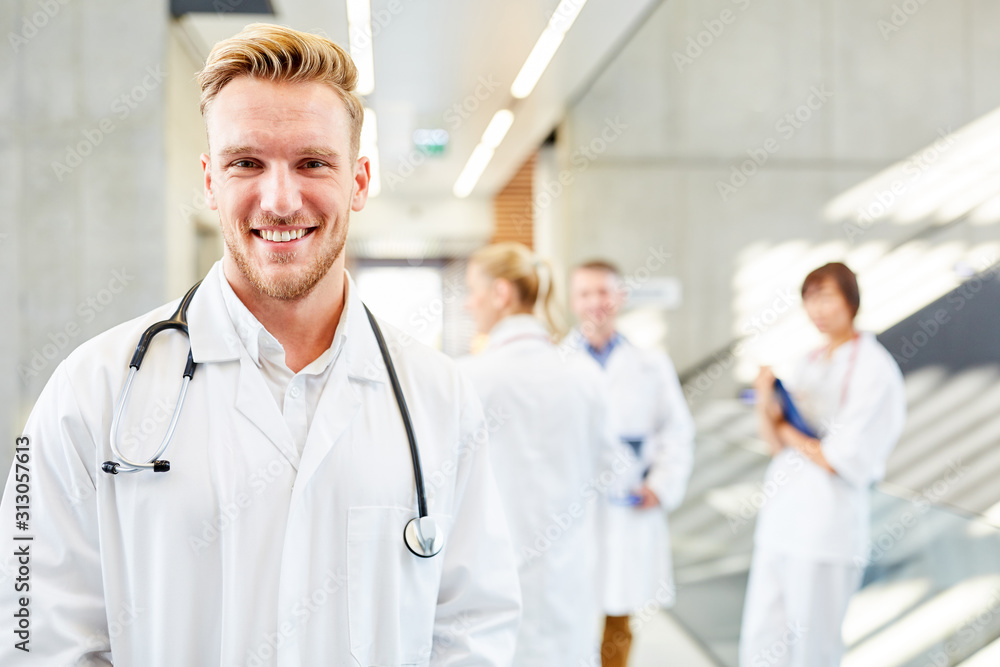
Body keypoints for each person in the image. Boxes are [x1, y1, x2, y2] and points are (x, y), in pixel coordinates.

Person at [0, 24, 521, 666]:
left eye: (312, 162)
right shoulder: (88, 391)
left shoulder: (439, 398)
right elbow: (33, 631)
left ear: (358, 180)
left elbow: (474, 626)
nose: (280, 199)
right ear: (211, 180)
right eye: (247, 162)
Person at [739, 262, 906, 667]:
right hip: (782, 521)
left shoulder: (874, 368)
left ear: (851, 300)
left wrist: (790, 430)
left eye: (826, 296)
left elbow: (838, 458)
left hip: (826, 529)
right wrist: (768, 401)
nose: (817, 308)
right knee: (762, 641)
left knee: (813, 650)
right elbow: (777, 442)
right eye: (810, 299)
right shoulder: (809, 361)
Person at [458, 243, 615, 667]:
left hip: (490, 580)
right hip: (570, 574)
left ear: (502, 294)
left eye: (474, 290)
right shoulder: (586, 374)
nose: (468, 303)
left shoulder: (468, 378)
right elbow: (613, 471)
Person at [566, 260, 695, 667]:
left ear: (620, 297)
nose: (595, 302)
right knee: (567, 610)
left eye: (604, 292)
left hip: (627, 504)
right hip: (571, 511)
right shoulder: (558, 362)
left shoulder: (650, 364)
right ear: (573, 301)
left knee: (618, 610)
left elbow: (676, 430)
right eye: (585, 293)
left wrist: (661, 484)